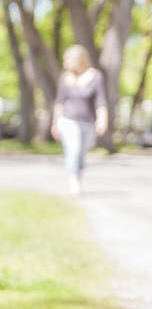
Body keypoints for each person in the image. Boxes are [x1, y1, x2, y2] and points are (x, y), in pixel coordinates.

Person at [51, 44, 109, 196]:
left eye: (68, 59)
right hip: (68, 120)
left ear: (79, 60)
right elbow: (59, 102)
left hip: (88, 122)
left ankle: (77, 178)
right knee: (73, 150)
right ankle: (73, 183)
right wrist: (55, 123)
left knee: (81, 154)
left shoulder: (95, 77)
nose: (65, 63)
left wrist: (102, 119)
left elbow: (100, 101)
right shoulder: (65, 78)